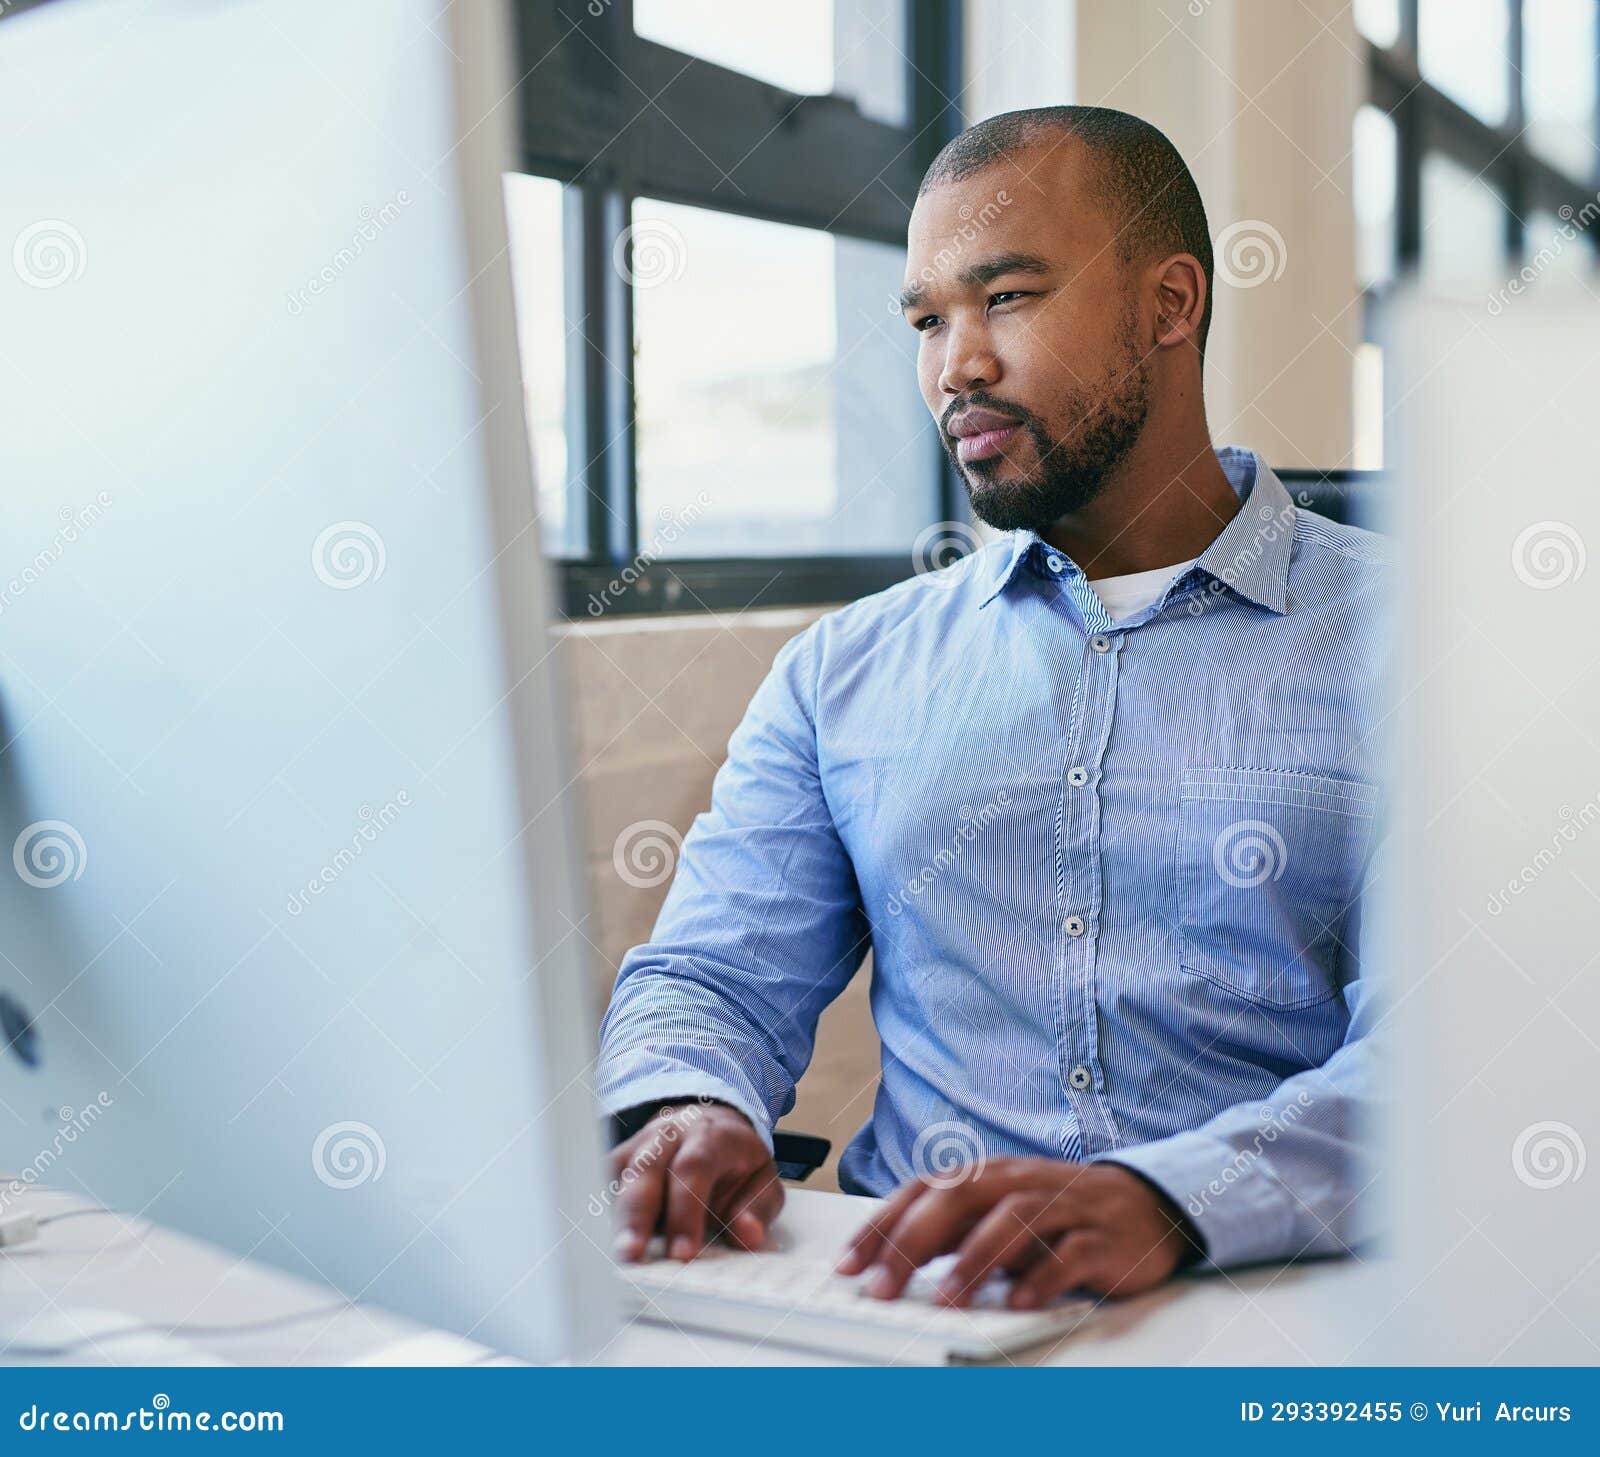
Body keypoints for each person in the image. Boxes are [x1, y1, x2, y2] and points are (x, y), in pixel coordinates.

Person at [597, 105, 1386, 1309]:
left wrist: (1170, 1197)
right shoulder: (839, 673)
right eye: (926, 319)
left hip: (1266, 1316)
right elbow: (711, 975)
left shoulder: (1429, 644)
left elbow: (1466, 1053)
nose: (955, 362)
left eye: (1006, 298)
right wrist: (685, 1102)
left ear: (1169, 305)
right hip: (910, 1306)